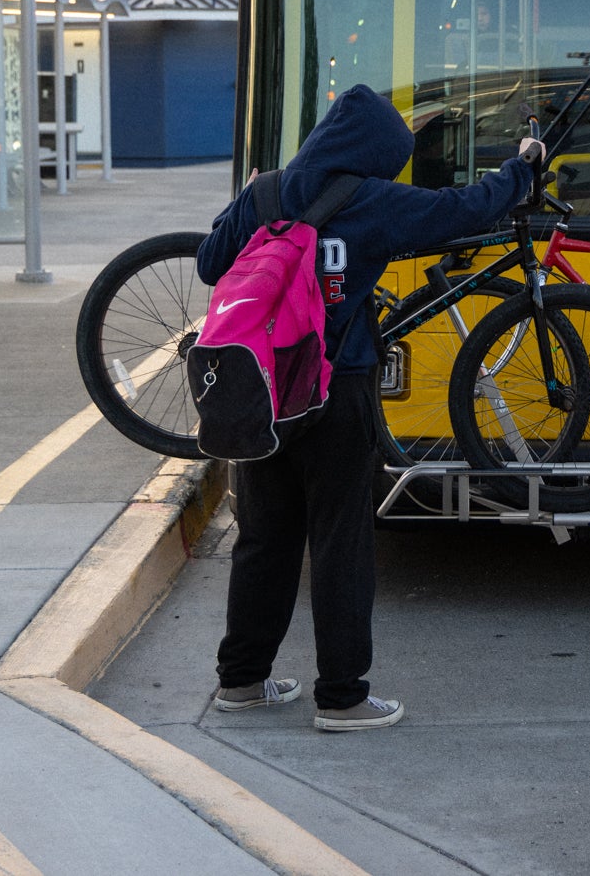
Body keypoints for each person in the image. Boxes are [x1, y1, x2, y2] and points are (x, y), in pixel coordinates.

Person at [197, 83, 543, 731]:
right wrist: (521, 167)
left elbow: (209, 262)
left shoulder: (265, 192)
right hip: (337, 388)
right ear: (377, 153)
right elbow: (464, 209)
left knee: (264, 537)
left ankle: (241, 679)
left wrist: (246, 211)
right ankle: (342, 697)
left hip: (262, 392)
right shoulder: (373, 200)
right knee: (340, 543)